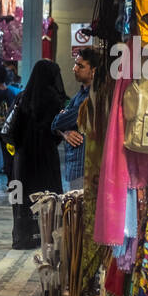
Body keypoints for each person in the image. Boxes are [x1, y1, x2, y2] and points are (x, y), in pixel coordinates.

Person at [9, 59, 65, 249]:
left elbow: (14, 129)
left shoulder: (23, 97)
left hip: (24, 157)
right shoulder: (54, 100)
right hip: (46, 156)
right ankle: (48, 235)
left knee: (24, 195)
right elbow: (58, 131)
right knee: (49, 195)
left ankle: (25, 235)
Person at [52, 48, 98, 191]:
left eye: (80, 66)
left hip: (85, 167)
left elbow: (58, 122)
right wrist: (65, 133)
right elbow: (56, 123)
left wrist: (62, 121)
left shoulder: (91, 97)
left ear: (94, 71)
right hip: (77, 164)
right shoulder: (80, 95)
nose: (74, 69)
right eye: (75, 64)